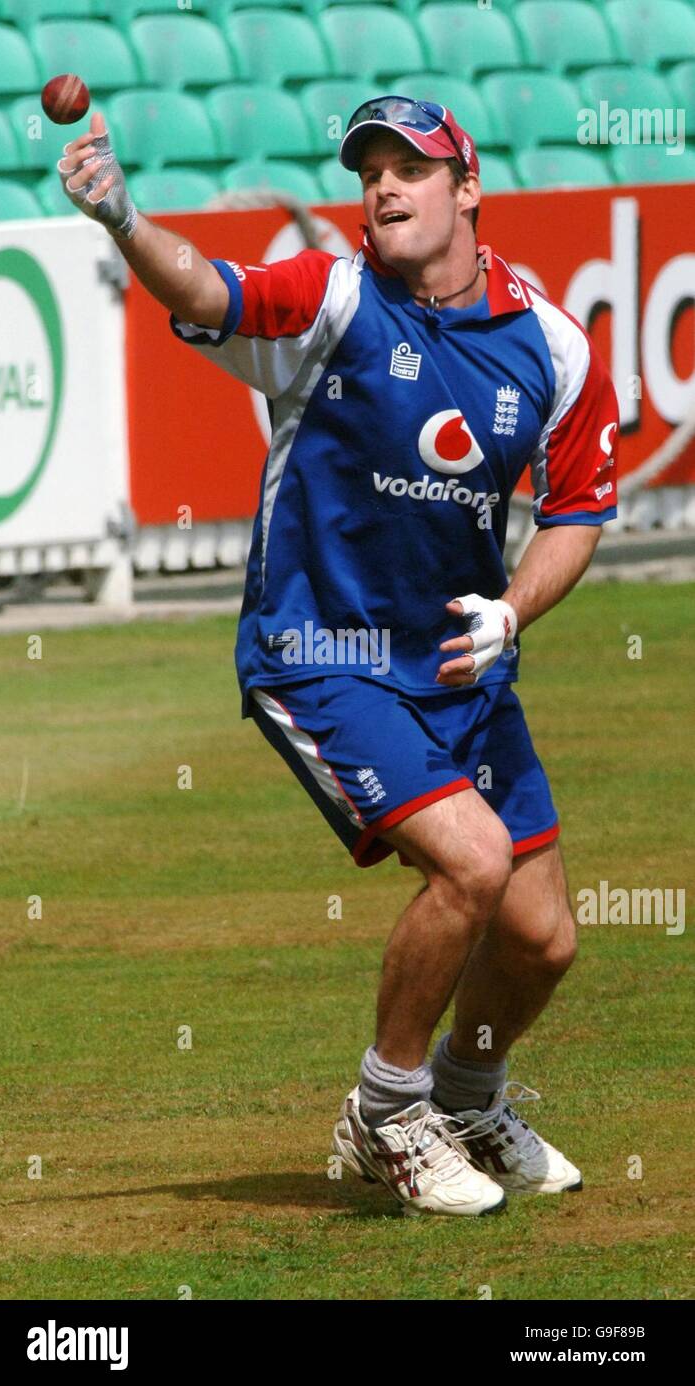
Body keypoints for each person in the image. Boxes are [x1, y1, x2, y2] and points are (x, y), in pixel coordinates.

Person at [59, 95, 619, 1217]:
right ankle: (386, 1110)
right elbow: (209, 289)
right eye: (367, 169)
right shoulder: (331, 295)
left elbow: (578, 509)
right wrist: (122, 217)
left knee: (546, 939)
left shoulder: (551, 342)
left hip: (461, 663)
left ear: (467, 189)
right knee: (468, 862)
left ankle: (463, 1092)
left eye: (408, 167)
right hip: (321, 652)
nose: (382, 186)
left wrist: (511, 611)